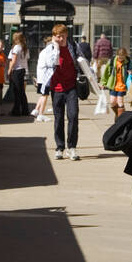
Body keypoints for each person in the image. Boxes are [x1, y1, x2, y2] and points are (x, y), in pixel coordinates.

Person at [37, 24, 82, 160]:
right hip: (56, 88)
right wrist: (56, 48)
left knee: (73, 116)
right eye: (57, 36)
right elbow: (52, 63)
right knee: (59, 118)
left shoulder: (73, 47)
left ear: (67, 35)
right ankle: (60, 147)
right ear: (53, 37)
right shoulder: (49, 50)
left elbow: (82, 61)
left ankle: (72, 147)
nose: (60, 38)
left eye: (62, 35)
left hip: (71, 87)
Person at [104, 47, 132, 119]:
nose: (121, 59)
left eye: (123, 57)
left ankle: (120, 119)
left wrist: (131, 71)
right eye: (120, 57)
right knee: (112, 101)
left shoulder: (128, 61)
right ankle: (119, 115)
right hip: (113, 84)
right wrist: (103, 82)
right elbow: (106, 72)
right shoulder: (113, 60)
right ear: (117, 55)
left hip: (122, 85)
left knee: (120, 101)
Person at [6, 32, 30, 116]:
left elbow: (14, 60)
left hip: (16, 70)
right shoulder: (25, 48)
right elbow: (27, 60)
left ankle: (16, 111)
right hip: (22, 70)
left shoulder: (16, 47)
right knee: (21, 91)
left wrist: (9, 70)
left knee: (17, 91)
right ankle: (25, 110)